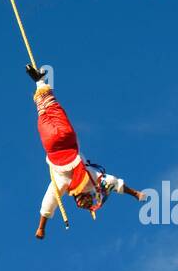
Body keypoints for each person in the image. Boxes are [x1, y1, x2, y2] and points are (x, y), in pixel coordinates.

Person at [26, 66, 144, 239]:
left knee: (48, 111)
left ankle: (40, 82)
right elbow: (112, 182)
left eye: (82, 203)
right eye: (87, 202)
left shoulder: (70, 183)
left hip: (60, 142)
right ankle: (39, 82)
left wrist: (41, 228)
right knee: (48, 111)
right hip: (63, 141)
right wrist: (135, 194)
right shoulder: (84, 180)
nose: (84, 201)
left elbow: (48, 204)